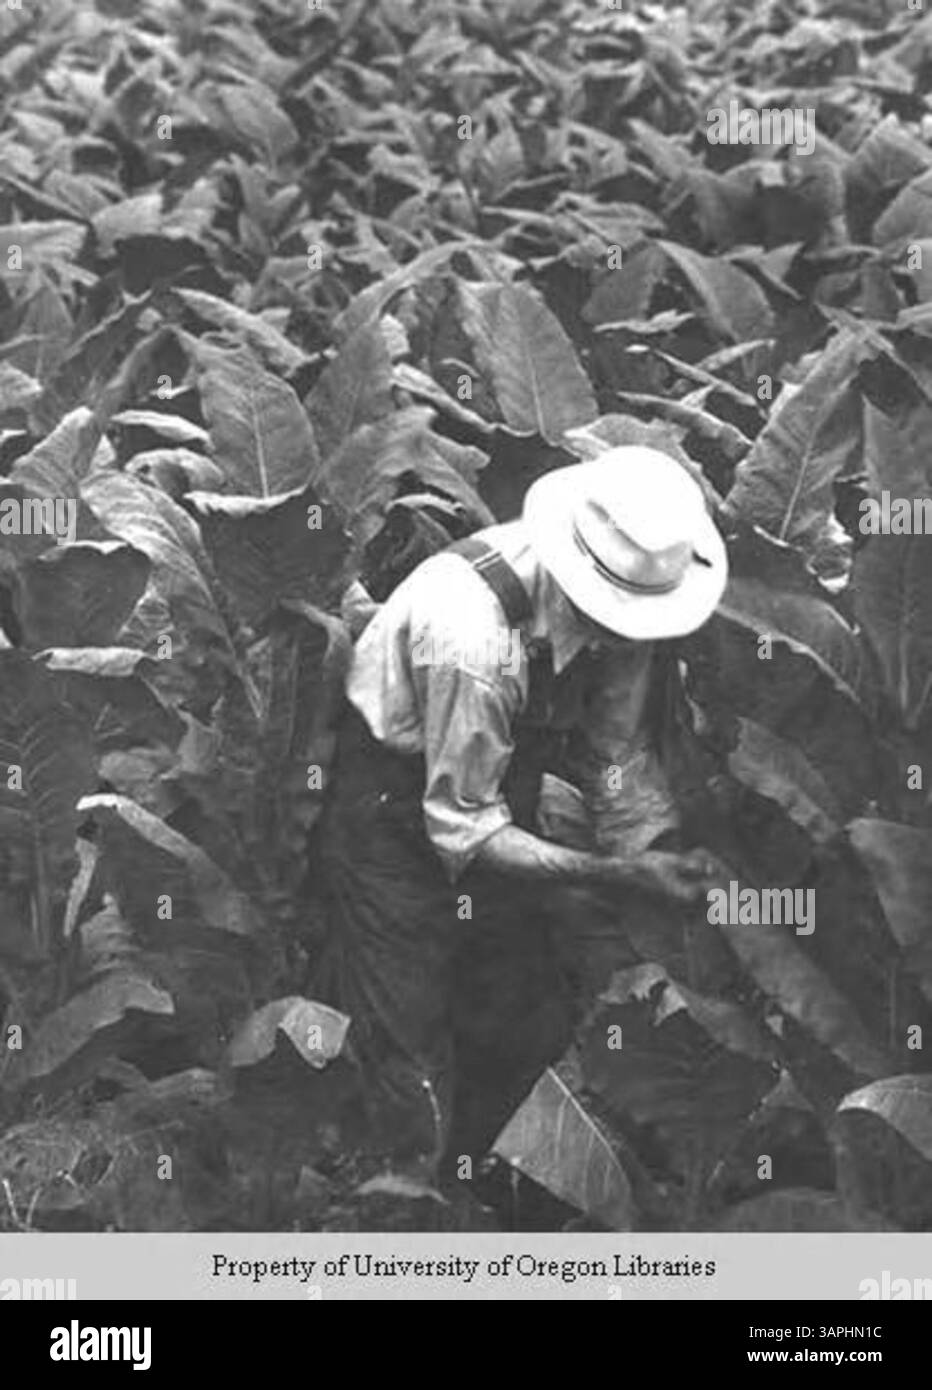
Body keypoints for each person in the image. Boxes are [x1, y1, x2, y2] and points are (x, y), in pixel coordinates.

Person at [310, 446, 729, 1168]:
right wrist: (617, 877)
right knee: (408, 1037)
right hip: (392, 808)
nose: (635, 641)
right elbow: (465, 831)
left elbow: (613, 755)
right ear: (580, 586)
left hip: (502, 793)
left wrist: (649, 856)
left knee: (520, 1017)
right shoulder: (471, 636)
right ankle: (403, 1211)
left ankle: (492, 1187)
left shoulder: (628, 600)